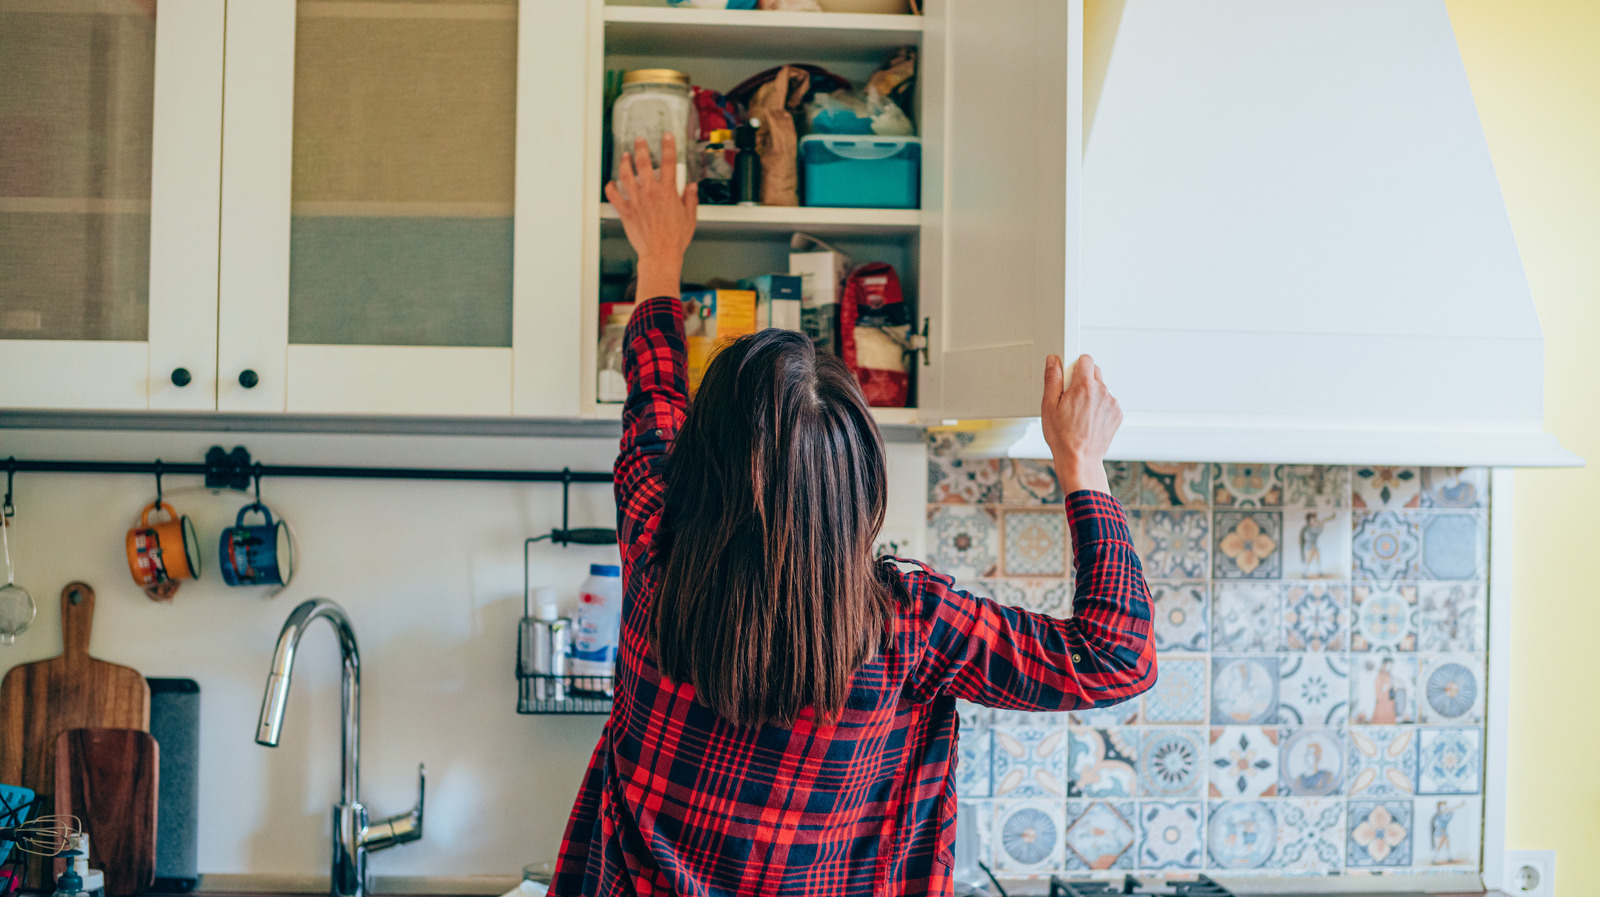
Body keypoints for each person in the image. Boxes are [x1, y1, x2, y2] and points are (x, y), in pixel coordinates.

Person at [550, 136, 1157, 897]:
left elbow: (655, 394)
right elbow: (1116, 656)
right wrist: (1082, 462)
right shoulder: (913, 626)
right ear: (862, 487)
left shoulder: (654, 541)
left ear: (700, 462)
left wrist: (661, 257)